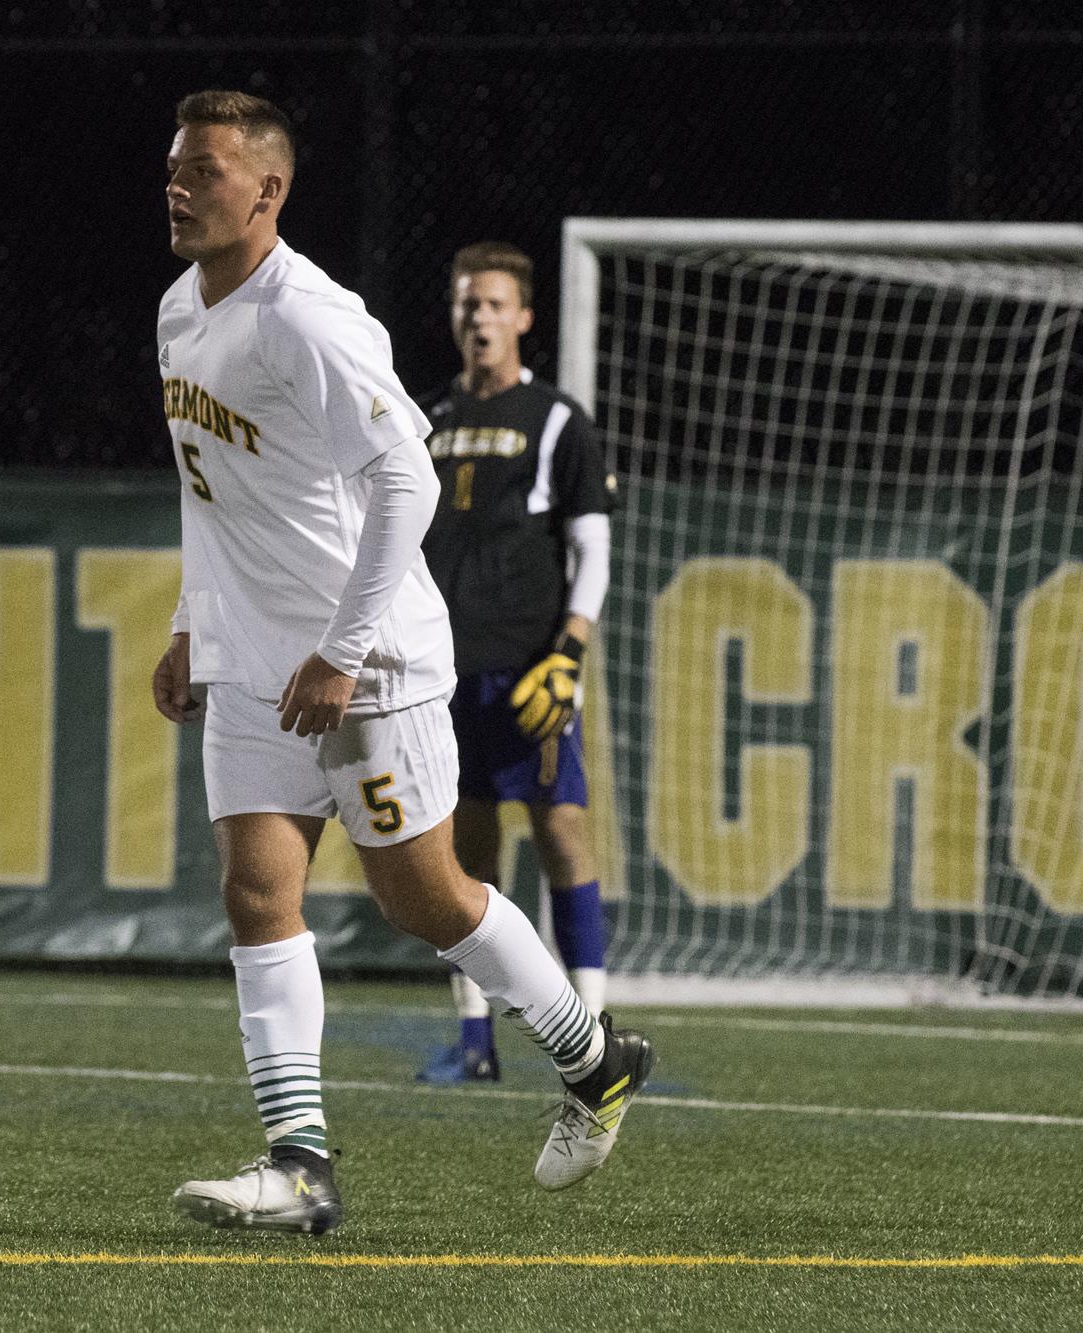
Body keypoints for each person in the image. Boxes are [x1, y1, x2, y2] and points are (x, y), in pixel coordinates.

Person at [151, 90, 653, 1236]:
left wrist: (340, 647)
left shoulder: (311, 318)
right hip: (252, 660)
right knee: (255, 892)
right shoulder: (180, 309)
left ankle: (593, 1057)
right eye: (173, 167)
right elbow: (205, 491)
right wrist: (191, 621)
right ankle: (300, 1165)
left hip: (365, 663)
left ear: (266, 190)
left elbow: (408, 483)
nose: (177, 187)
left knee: (424, 901)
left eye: (204, 171)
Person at [416, 242, 617, 1085]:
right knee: (463, 853)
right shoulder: (425, 421)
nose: (480, 317)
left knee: (562, 829)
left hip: (530, 667)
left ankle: (596, 1016)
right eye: (468, 303)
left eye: (496, 304)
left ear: (525, 317)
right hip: (441, 672)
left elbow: (592, 545)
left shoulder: (559, 419)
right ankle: (474, 1038)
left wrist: (569, 649)